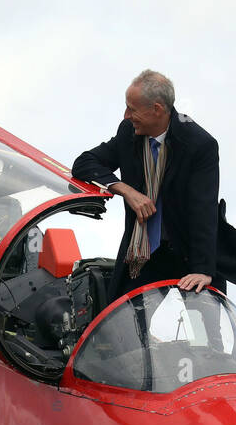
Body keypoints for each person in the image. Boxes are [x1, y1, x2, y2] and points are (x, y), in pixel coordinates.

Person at [72, 70, 226, 302]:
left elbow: (204, 210)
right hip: (140, 256)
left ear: (157, 109)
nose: (126, 115)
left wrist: (203, 269)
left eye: (132, 109)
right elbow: (84, 163)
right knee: (122, 322)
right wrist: (126, 190)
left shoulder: (199, 145)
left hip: (187, 254)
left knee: (207, 330)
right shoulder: (128, 132)